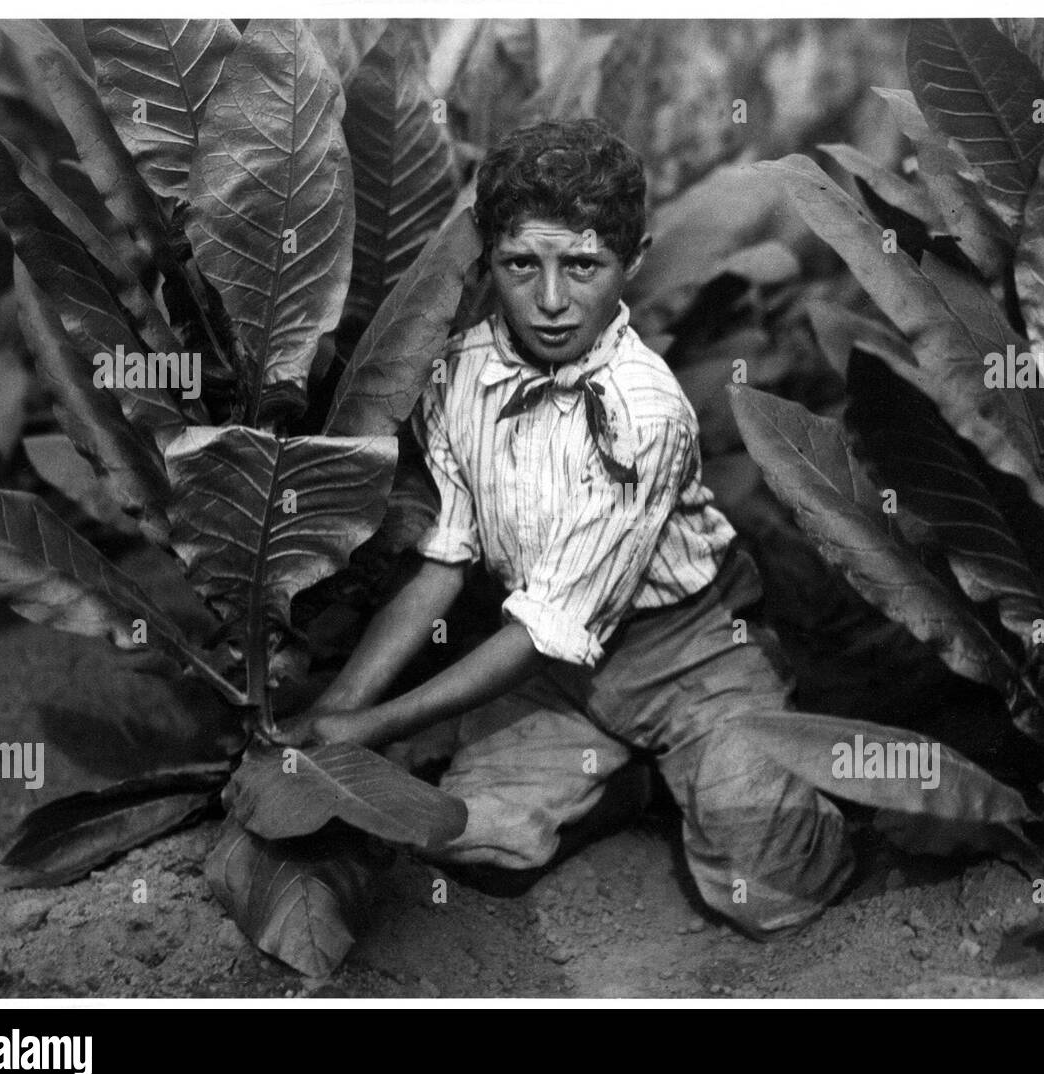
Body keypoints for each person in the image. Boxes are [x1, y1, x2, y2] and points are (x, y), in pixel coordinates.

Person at [281, 118, 853, 937]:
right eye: (523, 265)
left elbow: (552, 625)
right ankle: (629, 786)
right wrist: (336, 706)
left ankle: (732, 770)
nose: (552, 301)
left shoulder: (646, 411)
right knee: (465, 831)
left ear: (635, 260)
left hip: (692, 652)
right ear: (489, 260)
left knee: (768, 889)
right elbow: (442, 566)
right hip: (562, 669)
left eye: (583, 266)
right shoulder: (457, 375)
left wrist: (367, 729)